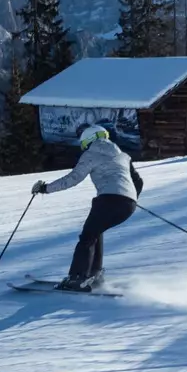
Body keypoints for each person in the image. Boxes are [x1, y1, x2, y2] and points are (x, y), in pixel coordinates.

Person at [31, 123, 143, 290]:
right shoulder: (123, 156)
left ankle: (77, 278)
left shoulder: (91, 153)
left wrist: (45, 188)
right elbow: (138, 182)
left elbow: (73, 178)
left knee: (87, 238)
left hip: (108, 201)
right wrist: (130, 198)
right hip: (127, 204)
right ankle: (94, 274)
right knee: (95, 233)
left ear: (88, 139)